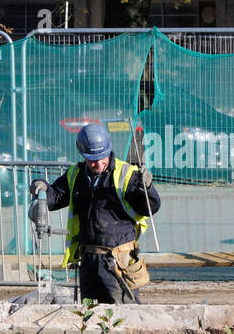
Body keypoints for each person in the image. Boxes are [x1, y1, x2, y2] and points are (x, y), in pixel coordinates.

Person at [35, 121, 160, 304]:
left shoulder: (126, 175)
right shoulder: (75, 175)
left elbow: (150, 208)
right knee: (90, 317)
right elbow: (55, 198)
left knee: (124, 314)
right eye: (92, 159)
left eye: (102, 157)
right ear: (83, 154)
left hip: (118, 261)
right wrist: (42, 187)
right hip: (89, 261)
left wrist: (146, 188)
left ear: (109, 150)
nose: (98, 163)